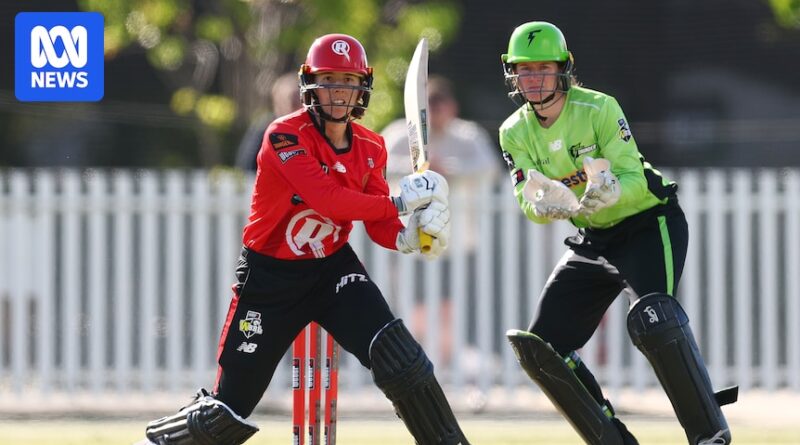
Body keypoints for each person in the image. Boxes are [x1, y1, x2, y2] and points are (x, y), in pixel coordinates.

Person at [142, 34, 470, 445]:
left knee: (401, 360)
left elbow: (375, 220)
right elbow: (329, 201)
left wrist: (407, 238)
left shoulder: (371, 146)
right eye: (329, 80)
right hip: (270, 279)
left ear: (362, 87)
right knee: (226, 413)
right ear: (309, 85)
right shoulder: (284, 136)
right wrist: (403, 199)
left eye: (348, 81)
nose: (338, 91)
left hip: (334, 268)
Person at [499, 22, 737, 445]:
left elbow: (633, 177)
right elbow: (525, 196)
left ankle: (708, 434)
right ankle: (610, 437)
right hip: (594, 238)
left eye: (543, 68)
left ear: (563, 70)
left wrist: (610, 192)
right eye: (524, 70)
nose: (533, 79)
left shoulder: (599, 108)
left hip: (648, 223)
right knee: (544, 347)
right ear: (513, 75)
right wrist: (542, 206)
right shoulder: (514, 131)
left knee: (654, 318)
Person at [382, 75, 501, 370]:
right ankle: (422, 361)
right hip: (412, 241)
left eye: (440, 105)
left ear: (452, 107)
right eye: (429, 106)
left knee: (451, 306)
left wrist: (450, 171)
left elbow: (489, 169)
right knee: (415, 308)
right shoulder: (400, 134)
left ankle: (446, 366)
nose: (435, 113)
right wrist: (420, 169)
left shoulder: (467, 135)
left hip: (458, 241)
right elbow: (379, 166)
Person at [235, 72, 303, 172]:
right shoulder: (264, 129)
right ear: (277, 102)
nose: (298, 105)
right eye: (292, 99)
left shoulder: (311, 128)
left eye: (301, 99)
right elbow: (246, 167)